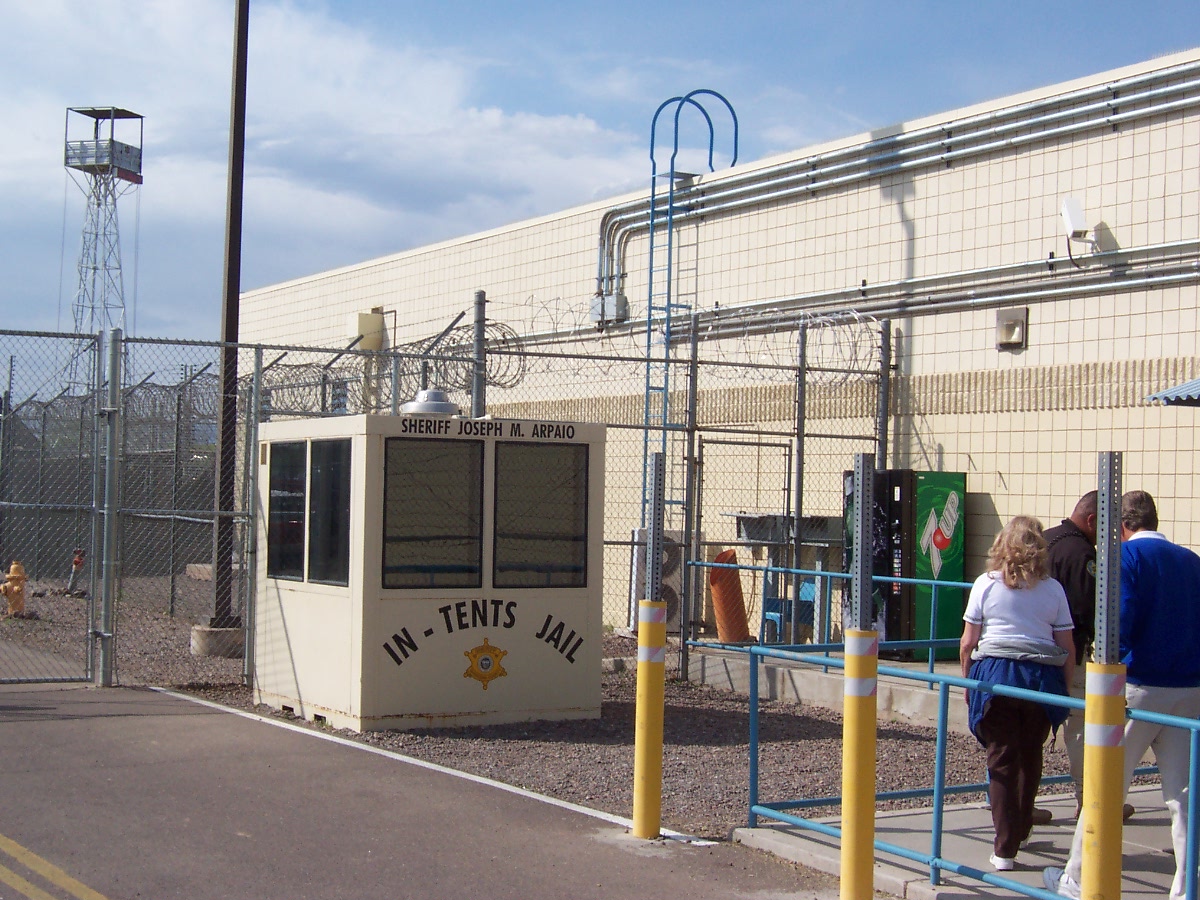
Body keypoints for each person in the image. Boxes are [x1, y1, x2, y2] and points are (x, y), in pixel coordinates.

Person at [1045, 491, 1200, 899]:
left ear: (1123, 526)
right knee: (1182, 795)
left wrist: (1108, 657)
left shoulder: (1126, 560)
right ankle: (1185, 886)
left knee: (1106, 784)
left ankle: (1076, 879)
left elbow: (1121, 620)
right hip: (1188, 687)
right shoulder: (1191, 561)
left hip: (1137, 685)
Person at [962, 516, 1074, 871]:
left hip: (995, 673)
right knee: (1030, 754)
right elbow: (1066, 645)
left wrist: (969, 683)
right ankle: (1021, 828)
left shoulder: (986, 584)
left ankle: (1004, 848)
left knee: (1001, 759)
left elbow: (968, 642)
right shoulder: (1053, 589)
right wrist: (1065, 690)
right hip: (1041, 678)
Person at [1043, 491, 1135, 822]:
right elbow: (1091, 610)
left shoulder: (1043, 540)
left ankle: (1016, 806)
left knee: (1029, 730)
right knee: (1080, 728)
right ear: (1093, 520)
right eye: (1106, 527)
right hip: (1070, 654)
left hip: (1031, 654)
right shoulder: (1082, 554)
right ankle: (1088, 799)